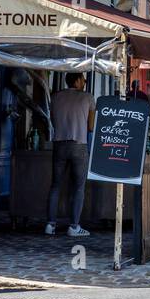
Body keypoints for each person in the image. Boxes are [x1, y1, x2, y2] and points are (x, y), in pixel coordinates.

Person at [45, 71, 96, 237]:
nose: (85, 81)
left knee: (55, 185)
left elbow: (53, 120)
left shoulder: (56, 97)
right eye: (83, 79)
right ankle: (74, 226)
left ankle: (50, 224)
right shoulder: (88, 97)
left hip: (59, 144)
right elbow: (90, 126)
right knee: (79, 187)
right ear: (77, 81)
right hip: (79, 144)